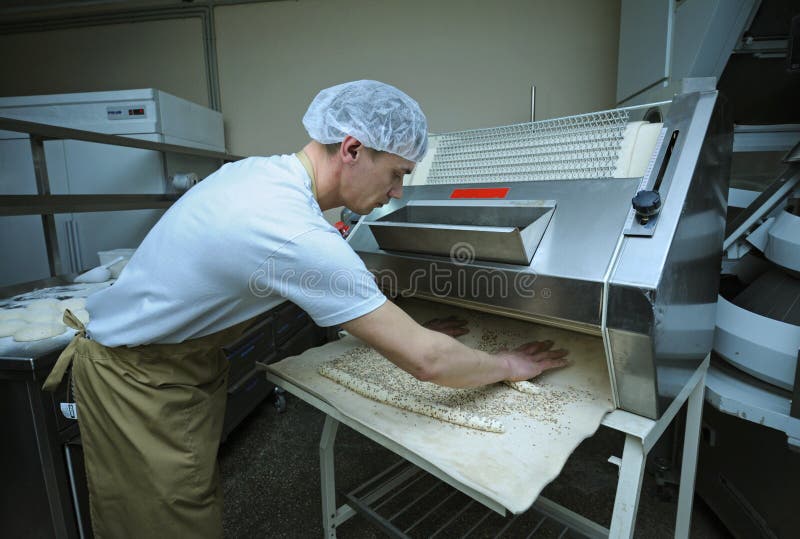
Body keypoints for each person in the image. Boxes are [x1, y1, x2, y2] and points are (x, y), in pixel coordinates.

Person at [43, 80, 568, 538]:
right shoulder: (291, 228)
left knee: (186, 500)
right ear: (353, 148)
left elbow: (356, 308)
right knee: (166, 522)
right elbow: (426, 361)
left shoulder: (262, 175)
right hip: (137, 381)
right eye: (397, 174)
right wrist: (506, 365)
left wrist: (397, 328)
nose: (395, 193)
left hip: (169, 364)